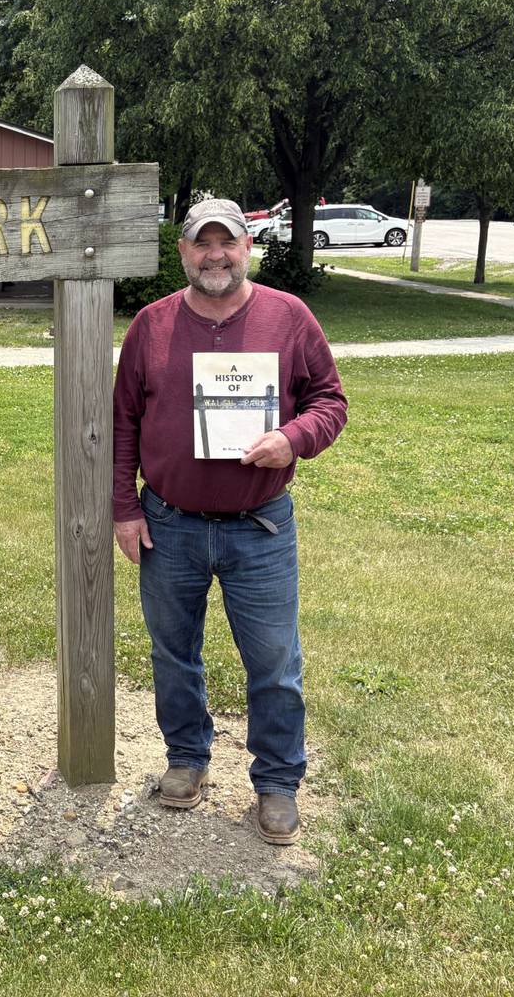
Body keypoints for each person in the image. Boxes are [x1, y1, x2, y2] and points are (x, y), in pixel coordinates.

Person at [112, 197, 347, 845]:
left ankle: (277, 784)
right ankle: (186, 759)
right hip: (170, 524)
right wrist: (125, 509)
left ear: (249, 246)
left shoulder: (288, 318)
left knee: (274, 662)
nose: (215, 254)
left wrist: (294, 439)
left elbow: (330, 400)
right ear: (183, 251)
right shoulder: (152, 326)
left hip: (260, 527)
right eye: (201, 243)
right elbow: (123, 420)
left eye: (228, 242)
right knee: (173, 654)